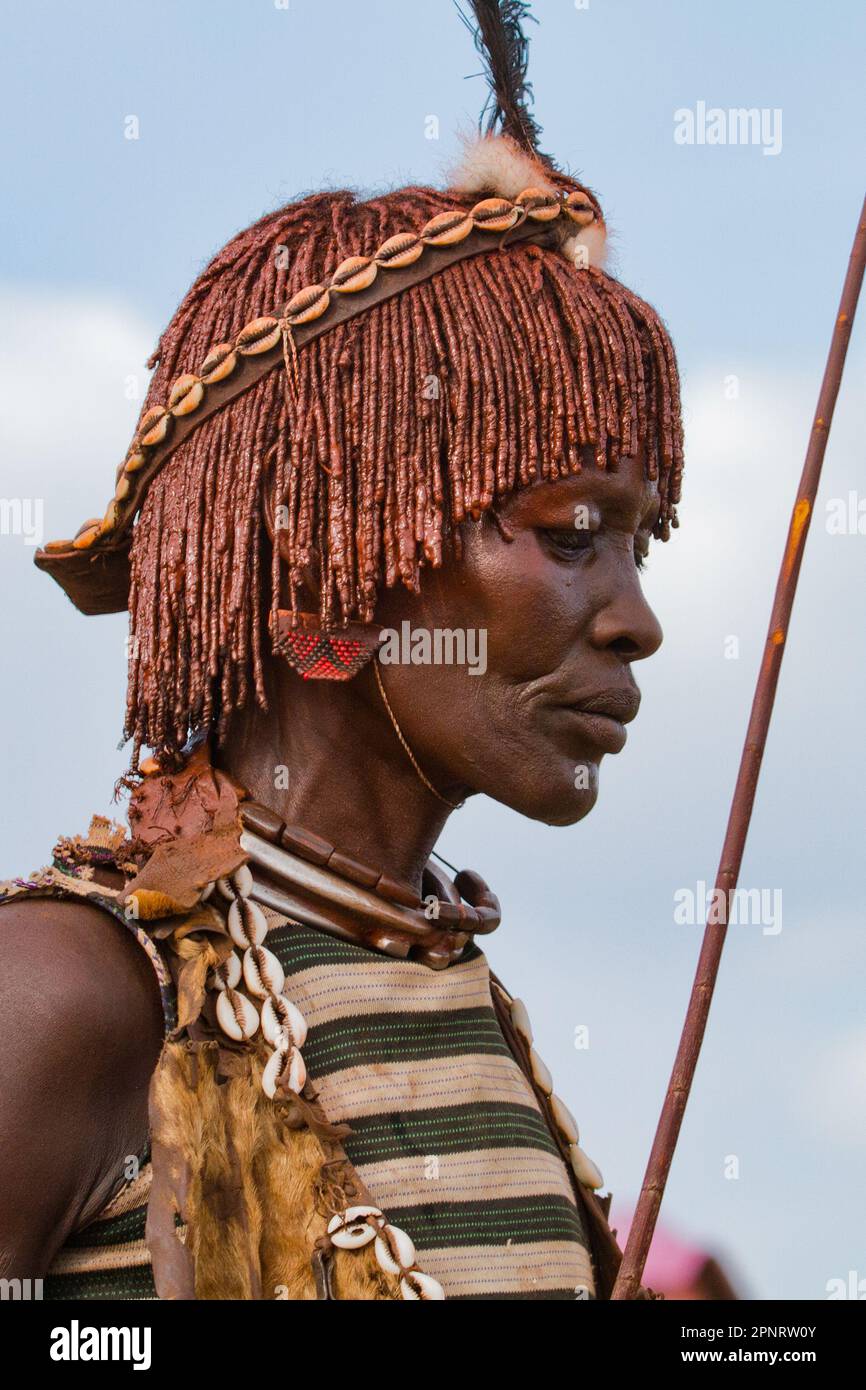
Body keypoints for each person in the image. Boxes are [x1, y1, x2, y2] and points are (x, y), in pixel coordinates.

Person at [0, 1, 683, 1300]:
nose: (635, 618)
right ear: (326, 572)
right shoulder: (67, 996)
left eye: (640, 541)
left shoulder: (461, 998)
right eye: (570, 534)